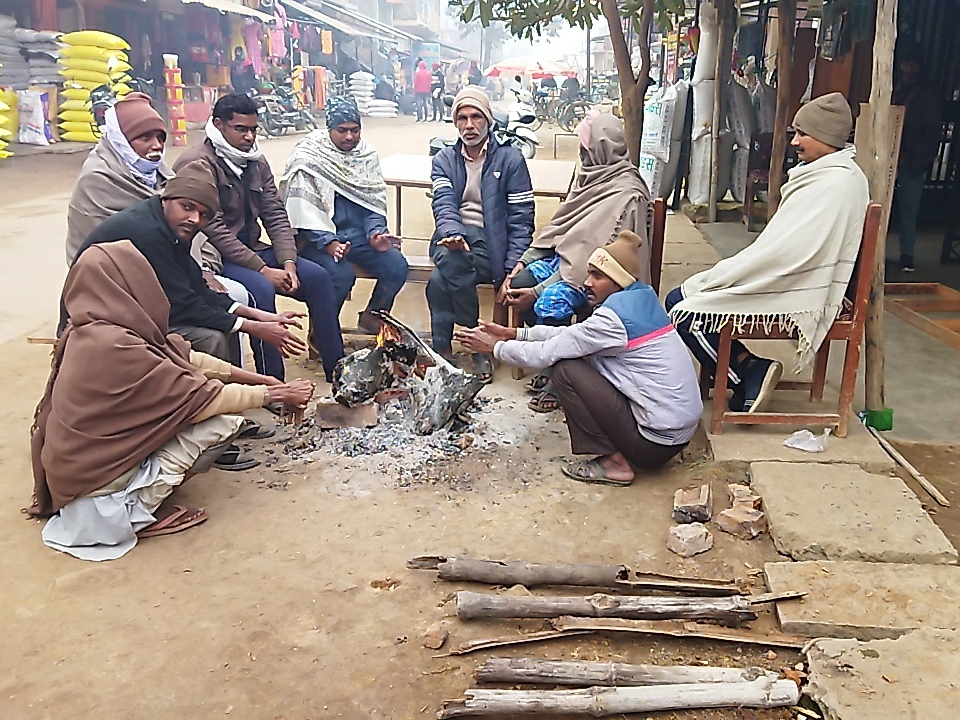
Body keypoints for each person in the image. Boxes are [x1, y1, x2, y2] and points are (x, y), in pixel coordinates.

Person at [31, 241, 314, 561]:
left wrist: (262, 381)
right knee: (221, 425)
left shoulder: (91, 326)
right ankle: (137, 512)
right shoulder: (113, 344)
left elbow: (188, 359)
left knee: (198, 410)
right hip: (97, 501)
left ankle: (138, 494)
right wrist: (275, 395)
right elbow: (202, 398)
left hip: (77, 476)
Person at [666, 92, 869, 413]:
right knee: (696, 291)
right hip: (792, 274)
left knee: (683, 308)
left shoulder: (834, 185)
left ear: (825, 136)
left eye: (802, 134)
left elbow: (793, 252)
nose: (795, 142)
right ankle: (749, 365)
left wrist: (745, 269)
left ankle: (747, 373)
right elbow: (786, 243)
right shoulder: (833, 175)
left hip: (797, 285)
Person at [456, 231, 702, 486]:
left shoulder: (612, 320)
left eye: (597, 276)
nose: (587, 283)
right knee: (576, 356)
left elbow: (546, 354)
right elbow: (573, 335)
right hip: (676, 435)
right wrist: (515, 333)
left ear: (617, 282)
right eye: (589, 274)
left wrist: (495, 348)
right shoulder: (638, 300)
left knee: (566, 369)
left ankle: (614, 464)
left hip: (653, 445)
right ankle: (619, 453)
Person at [173, 93, 344, 383]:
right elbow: (213, 230)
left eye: (253, 129)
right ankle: (273, 383)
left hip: (252, 249)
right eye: (241, 129)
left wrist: (288, 262)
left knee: (318, 276)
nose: (249, 136)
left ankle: (339, 371)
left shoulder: (255, 161)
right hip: (212, 257)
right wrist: (264, 270)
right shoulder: (198, 163)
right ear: (219, 125)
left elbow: (275, 214)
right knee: (261, 290)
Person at [69, 162, 308, 368]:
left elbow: (197, 288)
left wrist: (259, 316)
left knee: (225, 328)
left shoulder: (169, 226)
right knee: (211, 339)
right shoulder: (148, 232)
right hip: (101, 322)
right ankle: (206, 410)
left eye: (204, 215)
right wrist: (254, 328)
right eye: (187, 207)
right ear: (167, 199)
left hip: (135, 311)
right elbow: (182, 306)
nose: (194, 219)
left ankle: (231, 403)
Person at [503, 112, 652, 412]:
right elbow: (563, 227)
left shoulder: (628, 193)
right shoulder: (590, 177)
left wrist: (541, 289)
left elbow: (602, 259)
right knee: (520, 283)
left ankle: (559, 373)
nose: (582, 154)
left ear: (600, 149)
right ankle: (553, 355)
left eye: (586, 148)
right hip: (566, 261)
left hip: (599, 274)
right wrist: (524, 261)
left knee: (551, 302)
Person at [63, 92, 250, 311]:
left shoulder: (162, 175)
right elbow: (127, 251)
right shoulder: (98, 180)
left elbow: (202, 232)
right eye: (145, 138)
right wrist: (194, 277)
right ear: (120, 140)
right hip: (119, 282)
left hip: (176, 269)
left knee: (234, 297)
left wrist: (205, 268)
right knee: (226, 305)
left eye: (161, 138)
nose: (157, 146)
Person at [427, 86, 535, 381]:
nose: (469, 125)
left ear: (488, 120)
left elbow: (522, 220)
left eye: (476, 117)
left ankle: (442, 351)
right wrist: (452, 233)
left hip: (491, 246)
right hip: (448, 239)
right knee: (453, 258)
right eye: (462, 118)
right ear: (455, 122)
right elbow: (444, 204)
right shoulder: (444, 160)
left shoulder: (510, 160)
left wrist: (512, 266)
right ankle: (478, 348)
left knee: (440, 279)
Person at [280, 96, 408, 334]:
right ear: (330, 129)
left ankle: (374, 315)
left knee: (396, 264)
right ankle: (322, 331)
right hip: (315, 239)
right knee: (340, 276)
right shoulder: (309, 156)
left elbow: (372, 202)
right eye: (342, 130)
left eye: (355, 130)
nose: (349, 137)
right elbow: (301, 210)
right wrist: (329, 243)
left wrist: (375, 233)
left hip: (356, 237)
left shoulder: (366, 155)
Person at [892, 43, 942, 272]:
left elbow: (931, 132)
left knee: (909, 207)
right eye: (906, 63)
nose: (908, 68)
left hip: (912, 159)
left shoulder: (927, 93)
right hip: (893, 154)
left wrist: (914, 158)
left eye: (913, 64)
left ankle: (907, 255)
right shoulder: (898, 87)